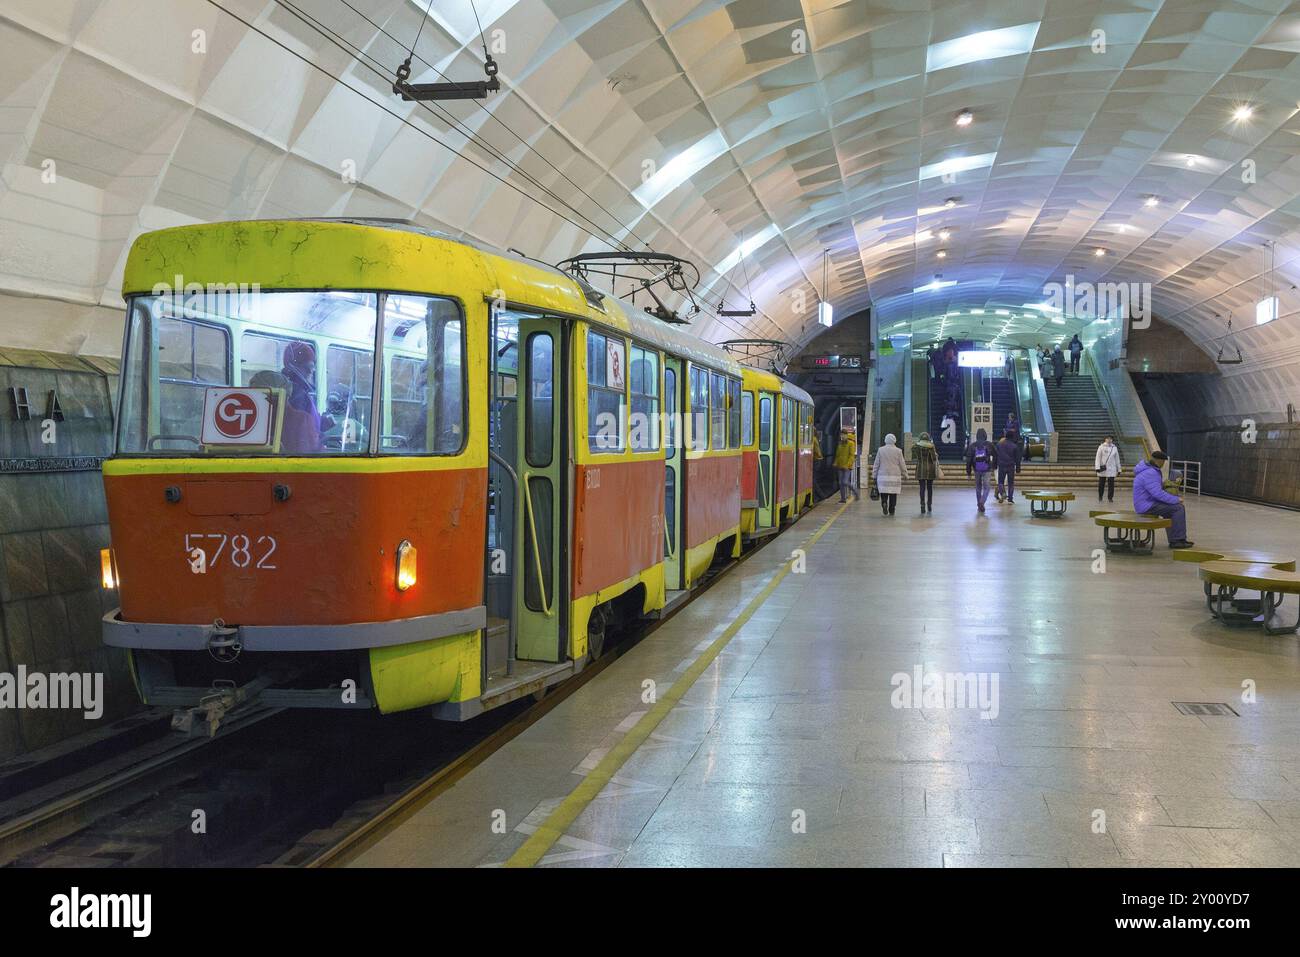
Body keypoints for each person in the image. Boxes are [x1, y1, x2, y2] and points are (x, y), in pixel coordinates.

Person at [1133, 450, 1193, 549]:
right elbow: (1157, 493)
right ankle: (1177, 540)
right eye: (1163, 462)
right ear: (1159, 461)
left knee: (1172, 510)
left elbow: (1154, 490)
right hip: (1147, 505)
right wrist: (1176, 499)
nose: (1164, 464)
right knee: (1178, 508)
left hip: (1146, 503)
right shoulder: (1151, 472)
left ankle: (1176, 540)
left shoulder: (1147, 469)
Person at [279, 341, 322, 453]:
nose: (312, 371)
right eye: (311, 366)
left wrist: (321, 423)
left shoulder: (284, 387)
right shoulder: (297, 394)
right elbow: (301, 431)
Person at [873, 433, 907, 516]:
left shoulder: (880, 450)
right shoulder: (898, 451)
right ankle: (892, 509)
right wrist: (905, 474)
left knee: (884, 493)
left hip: (882, 475)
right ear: (894, 440)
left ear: (885, 440)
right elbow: (902, 463)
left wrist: (874, 475)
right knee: (893, 494)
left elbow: (876, 463)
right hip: (894, 476)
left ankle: (884, 503)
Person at [965, 428, 994, 513]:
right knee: (987, 487)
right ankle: (982, 502)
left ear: (977, 435)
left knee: (978, 487)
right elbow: (996, 455)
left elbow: (968, 459)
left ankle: (979, 504)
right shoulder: (989, 444)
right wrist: (994, 465)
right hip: (987, 469)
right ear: (985, 435)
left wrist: (968, 471)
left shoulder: (972, 445)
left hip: (976, 469)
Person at [912, 431, 939, 514]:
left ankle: (922, 504)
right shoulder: (931, 446)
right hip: (930, 469)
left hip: (920, 468)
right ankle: (929, 504)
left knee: (922, 488)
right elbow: (934, 459)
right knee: (930, 488)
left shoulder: (916, 446)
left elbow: (913, 455)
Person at [994, 430, 1022, 504]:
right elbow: (1017, 458)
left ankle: (1003, 493)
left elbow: (995, 456)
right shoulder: (1014, 446)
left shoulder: (999, 445)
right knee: (1011, 483)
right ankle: (1010, 498)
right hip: (1011, 466)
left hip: (1001, 465)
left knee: (1000, 482)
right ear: (1012, 437)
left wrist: (994, 465)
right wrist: (1018, 468)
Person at [833, 428, 859, 503]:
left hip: (847, 467)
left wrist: (848, 465)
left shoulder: (851, 443)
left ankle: (856, 492)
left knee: (845, 482)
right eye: (842, 435)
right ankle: (843, 499)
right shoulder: (840, 444)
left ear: (846, 435)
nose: (843, 436)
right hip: (840, 466)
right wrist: (835, 462)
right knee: (840, 483)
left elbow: (851, 456)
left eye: (844, 435)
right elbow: (838, 455)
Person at [1095, 435, 1122, 504]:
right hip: (1103, 468)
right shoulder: (1101, 447)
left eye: (1111, 439)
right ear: (1105, 439)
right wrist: (1097, 467)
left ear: (1112, 440)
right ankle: (1100, 496)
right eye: (1108, 438)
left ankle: (1110, 498)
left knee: (1111, 484)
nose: (1109, 440)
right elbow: (1098, 458)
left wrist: (1119, 469)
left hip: (1112, 468)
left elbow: (1117, 459)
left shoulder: (1114, 448)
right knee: (1101, 484)